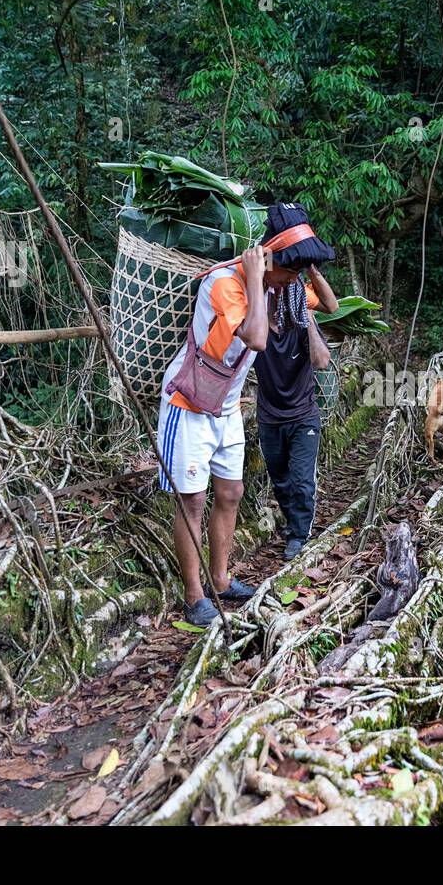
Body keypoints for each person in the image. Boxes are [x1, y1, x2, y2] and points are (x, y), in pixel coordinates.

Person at [157, 203, 334, 625]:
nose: (291, 282)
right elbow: (255, 337)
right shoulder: (223, 283)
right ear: (266, 261)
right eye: (287, 272)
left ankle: (220, 580)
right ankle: (194, 594)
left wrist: (300, 271)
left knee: (231, 493)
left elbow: (327, 303)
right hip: (189, 404)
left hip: (227, 407)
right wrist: (256, 278)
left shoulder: (279, 285)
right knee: (193, 500)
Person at [253, 203, 339, 560]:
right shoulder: (254, 308)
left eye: (295, 274)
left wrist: (311, 274)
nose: (291, 279)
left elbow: (323, 355)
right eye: (288, 271)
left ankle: (299, 536)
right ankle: (292, 524)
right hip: (269, 414)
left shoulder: (298, 300)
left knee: (301, 479)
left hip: (303, 412)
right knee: (281, 479)